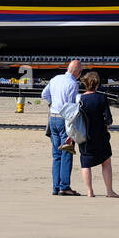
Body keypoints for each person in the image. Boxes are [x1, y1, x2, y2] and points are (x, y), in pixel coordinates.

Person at [42, 59, 83, 196]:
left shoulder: (55, 78)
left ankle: (55, 186)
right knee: (67, 152)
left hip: (53, 118)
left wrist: (53, 103)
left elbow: (44, 95)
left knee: (56, 155)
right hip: (64, 119)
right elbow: (71, 107)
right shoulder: (73, 84)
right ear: (78, 72)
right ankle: (64, 186)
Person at [77, 70, 119, 197]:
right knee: (106, 162)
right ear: (97, 84)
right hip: (100, 135)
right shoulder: (102, 97)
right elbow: (108, 119)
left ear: (85, 84)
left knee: (85, 163)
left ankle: (90, 191)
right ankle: (109, 191)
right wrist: (106, 127)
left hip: (84, 135)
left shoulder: (80, 99)